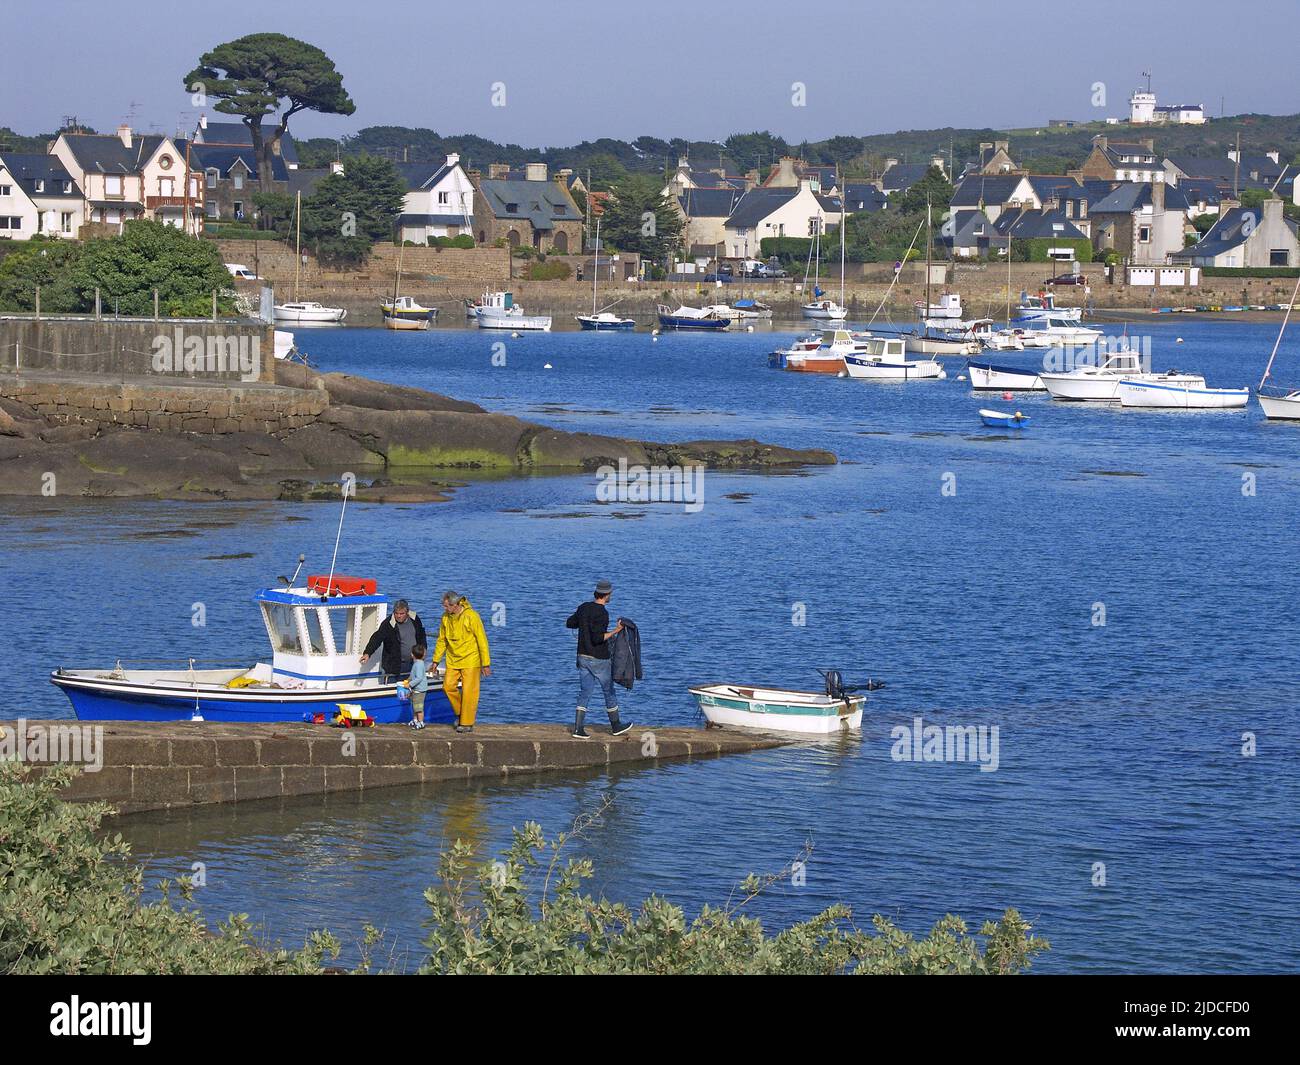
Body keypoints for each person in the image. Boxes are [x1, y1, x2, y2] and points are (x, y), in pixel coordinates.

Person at [565, 578, 632, 739]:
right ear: (607, 595)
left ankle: (578, 729)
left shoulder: (583, 607)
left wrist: (583, 624)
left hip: (582, 656)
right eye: (610, 594)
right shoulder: (602, 613)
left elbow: (569, 623)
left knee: (585, 692)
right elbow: (598, 638)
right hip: (599, 658)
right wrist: (616, 630)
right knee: (608, 691)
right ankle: (616, 726)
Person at [432, 590, 491, 734]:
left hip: (471, 660)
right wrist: (435, 661)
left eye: (446, 606)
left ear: (455, 604)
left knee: (469, 692)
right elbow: (442, 640)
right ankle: (460, 713)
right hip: (453, 660)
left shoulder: (472, 616)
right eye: (444, 606)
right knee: (448, 686)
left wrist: (485, 663)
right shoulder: (445, 618)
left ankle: (466, 722)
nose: (444, 609)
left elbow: (482, 640)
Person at [360, 599, 425, 680]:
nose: (399, 616)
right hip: (395, 665)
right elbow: (377, 638)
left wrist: (423, 649)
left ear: (407, 613)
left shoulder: (415, 619)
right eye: (396, 613)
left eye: (402, 614)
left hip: (414, 662)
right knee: (396, 689)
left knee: (413, 688)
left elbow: (421, 635)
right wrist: (367, 653)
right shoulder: (388, 624)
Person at [407, 642, 429, 730]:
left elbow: (419, 678)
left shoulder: (419, 664)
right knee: (415, 706)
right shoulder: (417, 663)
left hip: (420, 690)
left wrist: (410, 684)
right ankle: (415, 720)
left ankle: (421, 722)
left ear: (412, 654)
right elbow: (413, 675)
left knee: (419, 707)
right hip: (416, 689)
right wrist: (408, 680)